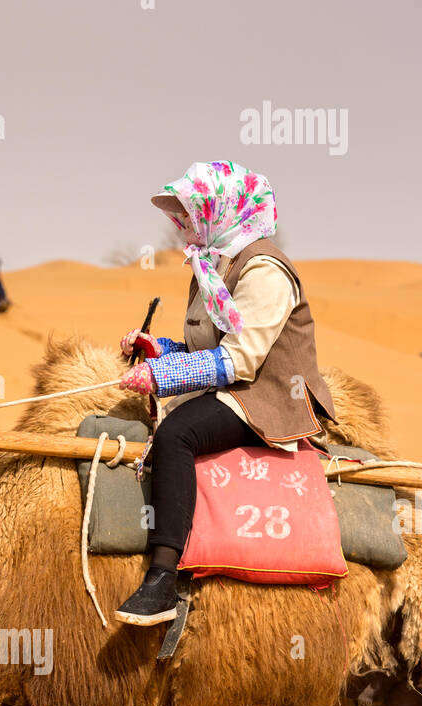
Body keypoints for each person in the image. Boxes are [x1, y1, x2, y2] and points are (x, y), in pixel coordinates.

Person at [114, 160, 334, 627]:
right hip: (236, 386)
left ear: (224, 210)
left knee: (177, 434)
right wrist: (159, 350)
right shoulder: (214, 264)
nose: (185, 224)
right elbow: (207, 347)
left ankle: (162, 580)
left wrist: (164, 376)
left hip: (268, 397)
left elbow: (239, 359)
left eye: (194, 212)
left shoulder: (264, 269)